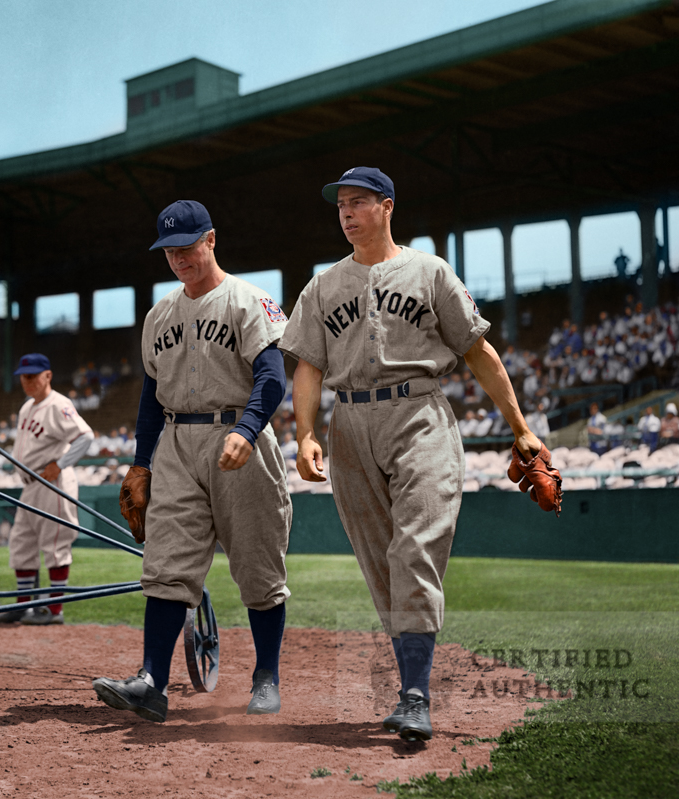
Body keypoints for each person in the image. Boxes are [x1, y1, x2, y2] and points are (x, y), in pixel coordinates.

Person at [280, 167, 547, 742]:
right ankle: (412, 685)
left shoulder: (429, 272)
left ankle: (416, 695)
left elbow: (478, 351)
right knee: (381, 564)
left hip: (419, 412)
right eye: (340, 206)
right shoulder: (323, 287)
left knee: (415, 547)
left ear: (387, 206)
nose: (347, 213)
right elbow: (307, 367)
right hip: (350, 421)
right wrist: (304, 434)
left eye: (358, 203)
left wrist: (520, 429)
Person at [92, 199, 293, 722]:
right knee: (166, 566)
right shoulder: (160, 314)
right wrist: (141, 464)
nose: (178, 258)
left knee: (257, 566)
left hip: (238, 439)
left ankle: (266, 677)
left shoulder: (249, 300)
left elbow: (273, 379)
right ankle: (151, 682)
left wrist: (248, 430)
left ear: (210, 239)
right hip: (178, 442)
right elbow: (149, 396)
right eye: (168, 251)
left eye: (186, 247)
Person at [0, 353, 94, 625]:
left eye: (33, 376)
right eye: (24, 377)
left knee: (55, 544)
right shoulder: (26, 407)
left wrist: (59, 464)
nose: (27, 382)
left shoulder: (59, 405)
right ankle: (24, 606)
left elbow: (86, 437)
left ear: (47, 375)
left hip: (53, 483)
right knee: (21, 543)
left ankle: (54, 609)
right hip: (30, 485)